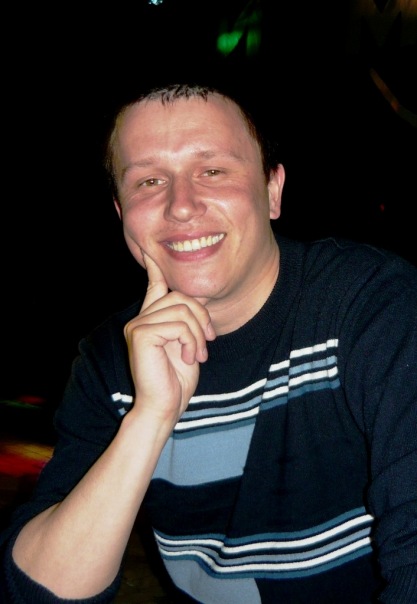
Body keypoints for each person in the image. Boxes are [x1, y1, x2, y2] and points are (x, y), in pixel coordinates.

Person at [0, 82, 416, 604]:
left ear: (272, 191)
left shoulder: (373, 304)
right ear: (122, 213)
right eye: (150, 180)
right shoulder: (109, 360)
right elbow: (37, 592)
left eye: (213, 171)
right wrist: (150, 417)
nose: (180, 205)